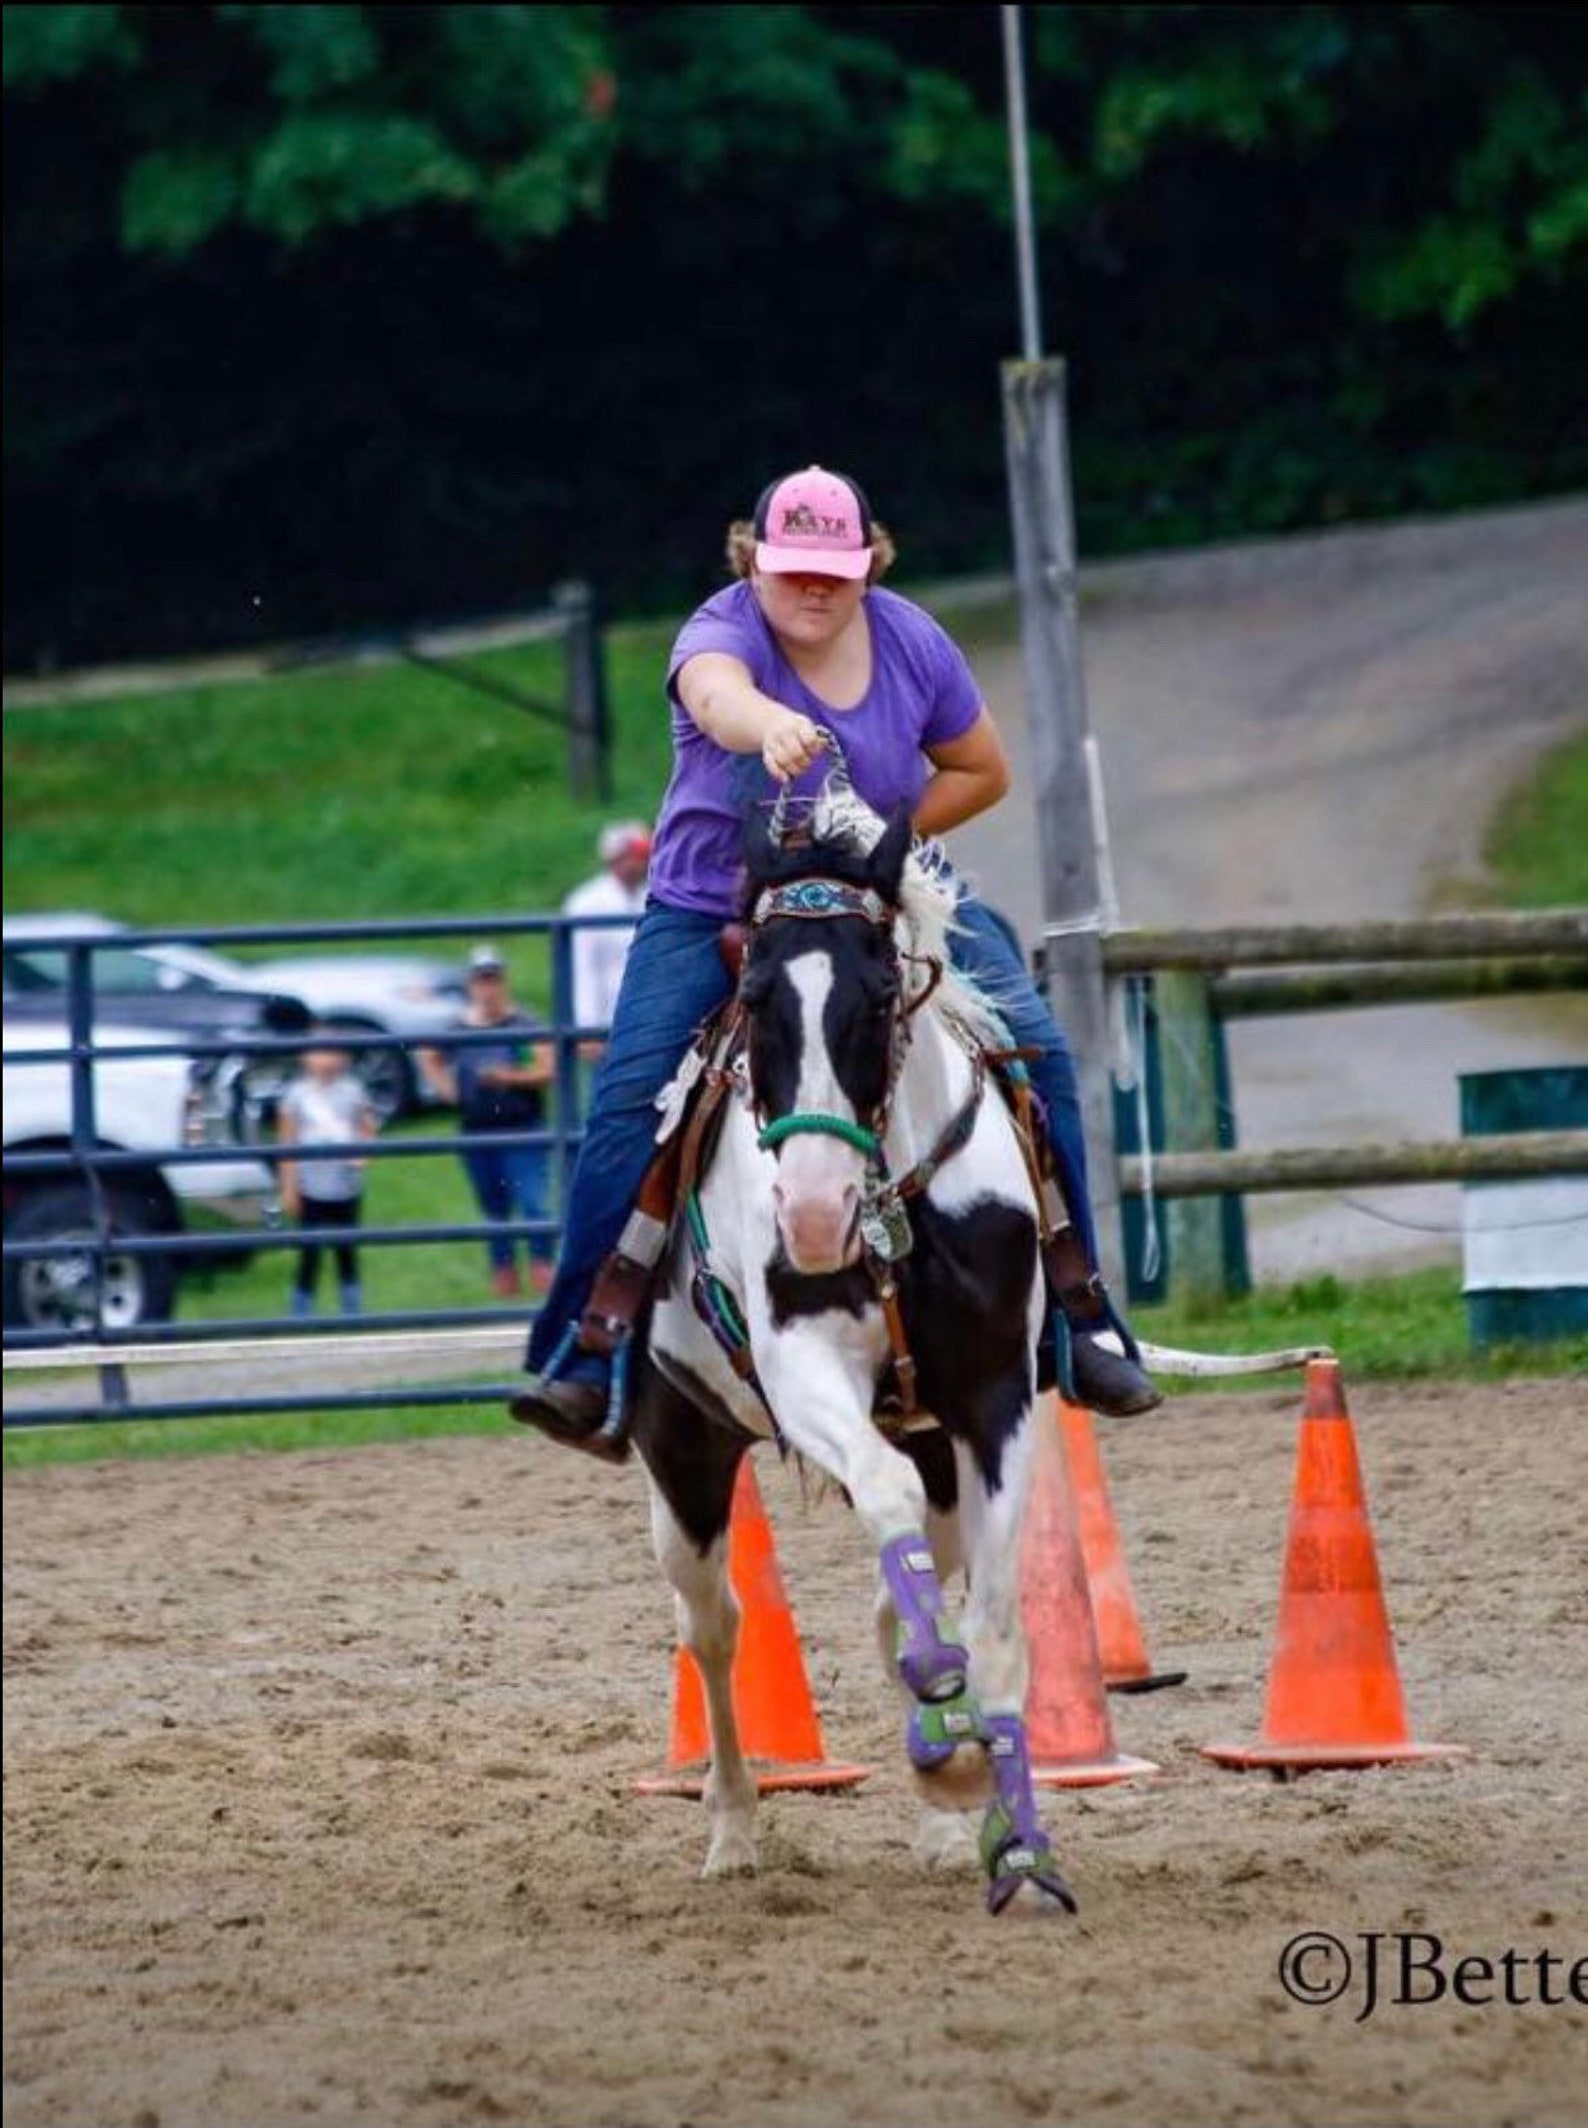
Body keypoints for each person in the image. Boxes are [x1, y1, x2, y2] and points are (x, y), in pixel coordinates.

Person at [511, 463, 1160, 1457]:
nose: (812, 587)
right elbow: (717, 696)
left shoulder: (910, 640)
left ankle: (1079, 1314)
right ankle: (589, 1347)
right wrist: (770, 724)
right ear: (754, 563)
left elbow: (981, 770)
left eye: (834, 568)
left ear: (866, 566)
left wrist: (874, 841)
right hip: (714, 904)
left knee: (1034, 1049)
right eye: (791, 567)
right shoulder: (720, 630)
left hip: (882, 890)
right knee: (635, 1095)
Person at [418, 946, 556, 1298]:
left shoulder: (524, 1023)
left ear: (503, 982)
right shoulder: (458, 1027)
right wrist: (450, 1091)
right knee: (494, 1208)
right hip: (477, 1128)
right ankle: (504, 1276)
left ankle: (542, 1269)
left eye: (493, 980)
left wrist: (506, 1078)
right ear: (471, 984)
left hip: (522, 1125)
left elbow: (546, 1069)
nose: (488, 988)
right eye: (482, 981)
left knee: (534, 1204)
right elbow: (428, 1055)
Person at [277, 1036, 376, 1317]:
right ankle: (301, 1311)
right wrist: (288, 1187)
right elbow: (287, 1143)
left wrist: (362, 1154)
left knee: (346, 1249)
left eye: (332, 1053)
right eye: (319, 1053)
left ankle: (352, 1308)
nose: (326, 1061)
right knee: (309, 1252)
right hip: (310, 1187)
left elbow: (367, 1126)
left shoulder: (353, 1092)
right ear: (305, 1058)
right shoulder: (296, 1096)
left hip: (346, 1186)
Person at [561, 820, 651, 1052]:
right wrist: (587, 1026)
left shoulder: (652, 896)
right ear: (615, 859)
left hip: (649, 1016)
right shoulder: (586, 902)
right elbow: (583, 968)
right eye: (635, 856)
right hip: (607, 1019)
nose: (642, 862)